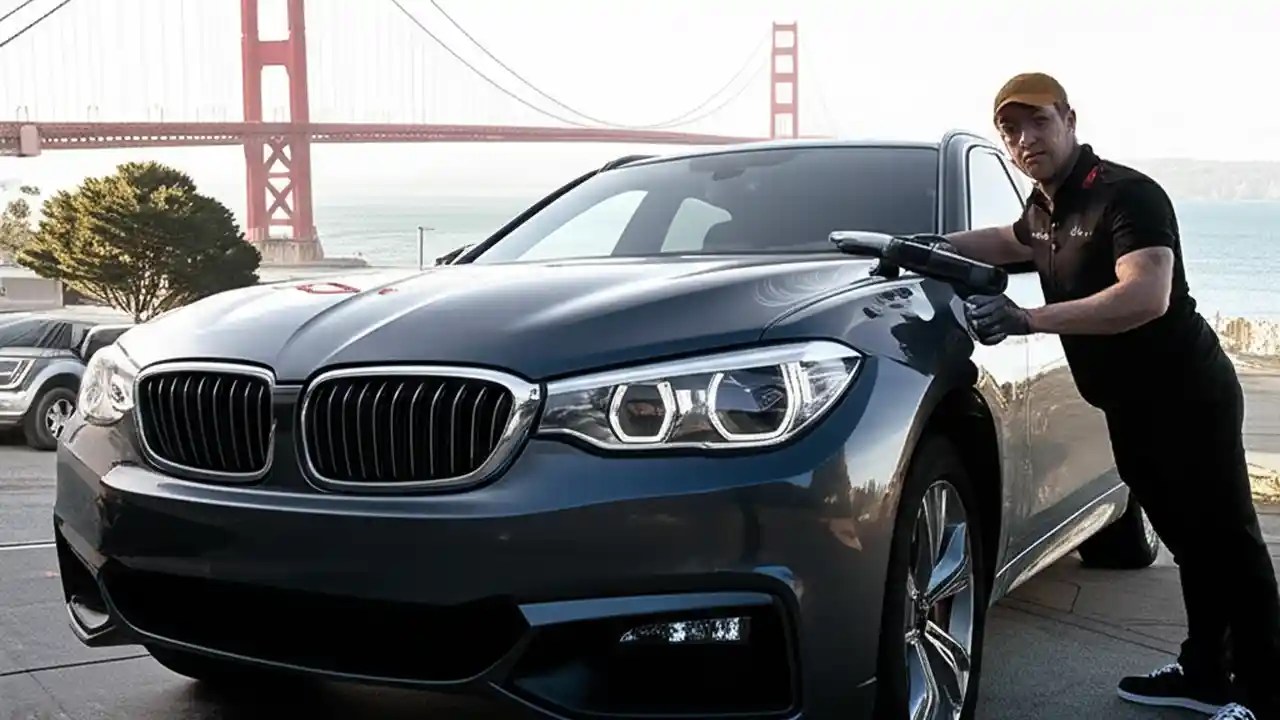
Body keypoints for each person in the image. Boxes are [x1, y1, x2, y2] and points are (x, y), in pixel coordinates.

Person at [942, 71, 1280, 720]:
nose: (1025, 138)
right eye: (1011, 129)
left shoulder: (1127, 195)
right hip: (1129, 407)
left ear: (1070, 120)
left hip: (1188, 398)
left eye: (1039, 121)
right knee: (1190, 543)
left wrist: (1028, 319)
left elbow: (1145, 295)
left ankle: (1264, 693)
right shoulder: (1045, 207)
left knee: (1230, 544)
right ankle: (1206, 672)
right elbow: (1008, 241)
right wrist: (920, 248)